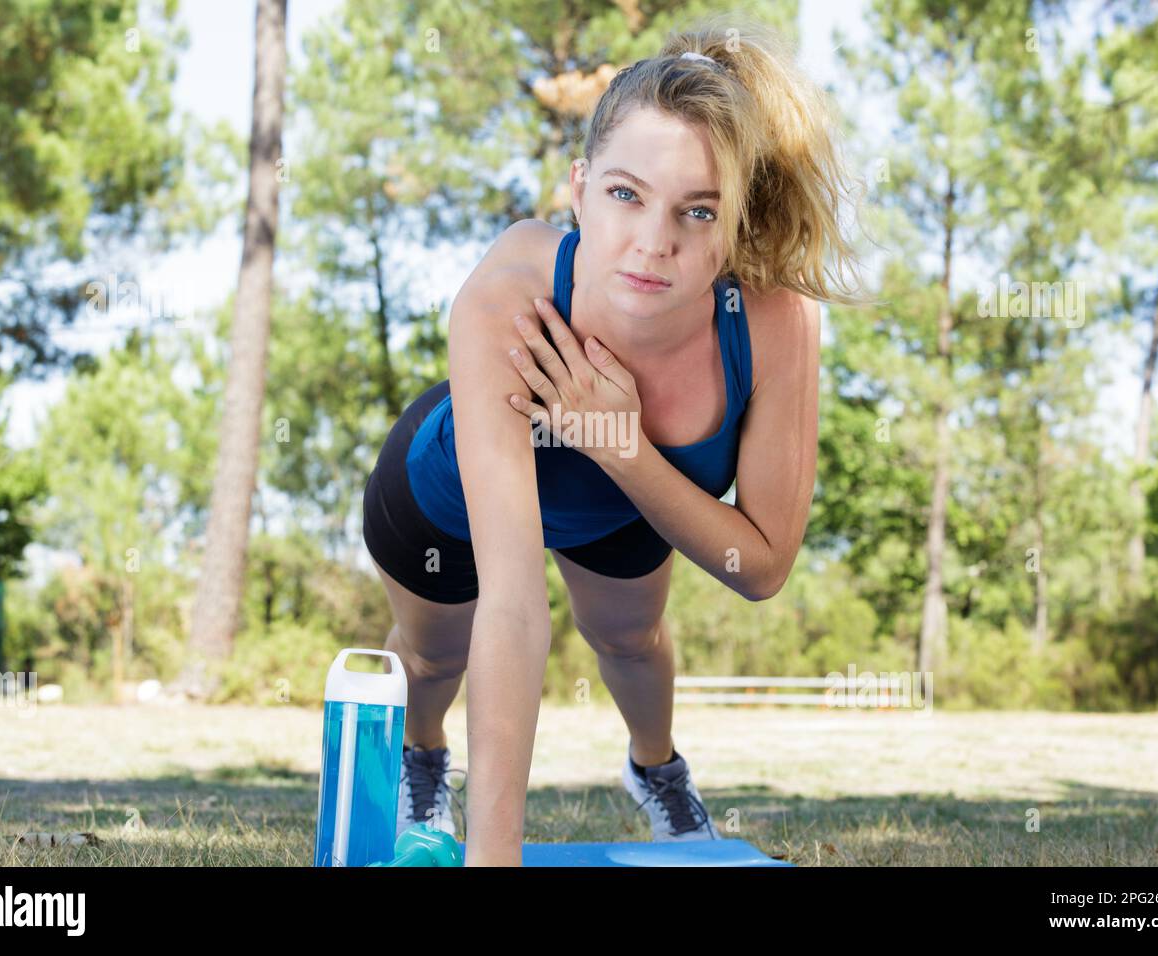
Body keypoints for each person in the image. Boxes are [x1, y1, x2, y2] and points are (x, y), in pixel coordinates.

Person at [361, 19, 866, 866]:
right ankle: (423, 760)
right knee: (434, 652)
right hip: (448, 492)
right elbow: (516, 601)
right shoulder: (513, 289)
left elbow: (763, 566)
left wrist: (617, 441)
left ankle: (657, 770)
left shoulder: (775, 319)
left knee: (630, 642)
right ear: (580, 187)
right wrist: (495, 859)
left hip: (628, 494)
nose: (652, 243)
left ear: (733, 225)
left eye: (696, 211)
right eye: (626, 195)